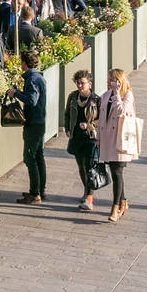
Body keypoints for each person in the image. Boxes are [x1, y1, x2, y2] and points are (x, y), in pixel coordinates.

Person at [7, 49, 47, 204]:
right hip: (40, 121)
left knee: (29, 157)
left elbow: (31, 100)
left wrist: (15, 93)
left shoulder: (32, 79)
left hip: (33, 123)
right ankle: (40, 190)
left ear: (25, 63)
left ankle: (35, 193)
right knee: (38, 156)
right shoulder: (38, 77)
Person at [97, 69, 137, 222]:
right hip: (108, 140)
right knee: (115, 172)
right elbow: (101, 119)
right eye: (108, 80)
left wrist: (116, 92)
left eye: (111, 80)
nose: (108, 82)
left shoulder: (128, 95)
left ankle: (115, 207)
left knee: (117, 172)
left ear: (119, 81)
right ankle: (123, 202)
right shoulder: (106, 95)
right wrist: (98, 139)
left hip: (120, 141)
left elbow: (121, 111)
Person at [64, 69, 100, 211]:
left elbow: (100, 120)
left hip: (90, 138)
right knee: (81, 167)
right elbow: (67, 114)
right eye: (78, 83)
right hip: (76, 137)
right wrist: (67, 128)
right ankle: (86, 191)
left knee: (90, 168)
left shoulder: (96, 99)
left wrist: (89, 125)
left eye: (82, 83)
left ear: (89, 84)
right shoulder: (72, 97)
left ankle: (89, 198)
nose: (80, 86)